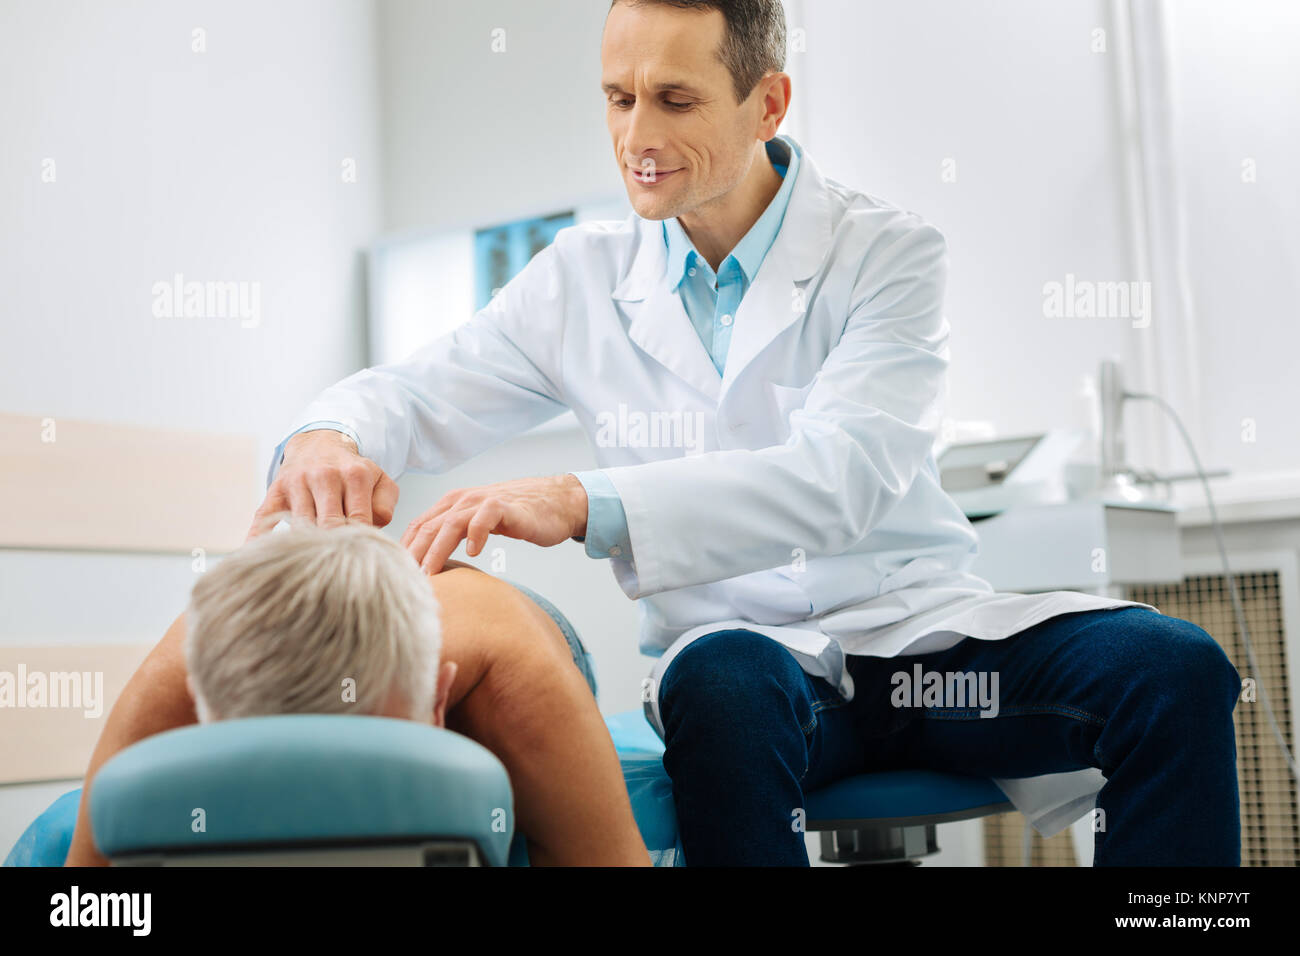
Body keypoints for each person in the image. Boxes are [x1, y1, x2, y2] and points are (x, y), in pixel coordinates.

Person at [86, 0, 1243, 865]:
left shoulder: (887, 254)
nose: (635, 134)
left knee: (1174, 667)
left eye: (675, 100)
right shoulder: (579, 277)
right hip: (751, 663)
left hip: (918, 646)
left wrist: (589, 502)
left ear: (768, 103)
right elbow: (418, 390)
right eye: (616, 96)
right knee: (726, 684)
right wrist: (325, 435)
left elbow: (843, 477)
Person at [65, 517, 651, 866]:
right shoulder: (168, 692)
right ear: (199, 707)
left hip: (507, 635)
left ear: (438, 702)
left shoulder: (517, 680)